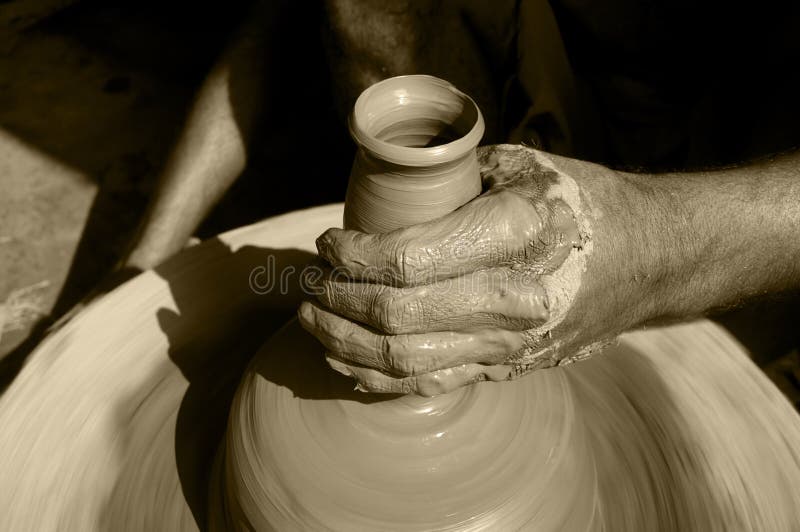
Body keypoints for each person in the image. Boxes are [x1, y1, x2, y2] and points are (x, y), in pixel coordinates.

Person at [120, 1, 800, 394]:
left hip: (729, 144)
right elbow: (282, 21)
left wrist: (656, 245)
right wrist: (139, 268)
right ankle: (458, 242)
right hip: (539, 71)